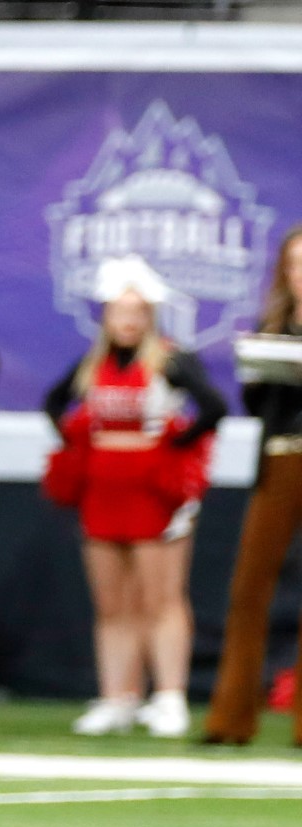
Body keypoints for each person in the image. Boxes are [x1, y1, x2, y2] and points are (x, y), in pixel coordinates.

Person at [46, 256, 226, 739]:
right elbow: (52, 402)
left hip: (153, 492)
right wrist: (77, 447)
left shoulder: (169, 359)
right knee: (112, 602)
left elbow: (214, 407)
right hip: (103, 491)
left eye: (137, 310)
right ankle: (117, 697)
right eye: (118, 309)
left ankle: (168, 697)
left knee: (160, 597)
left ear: (151, 314)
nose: (127, 319)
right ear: (105, 314)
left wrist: (175, 450)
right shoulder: (92, 365)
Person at [208, 226, 302, 747]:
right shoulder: (274, 329)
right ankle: (230, 718)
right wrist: (263, 370)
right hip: (278, 458)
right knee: (248, 589)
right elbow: (257, 408)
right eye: (295, 264)